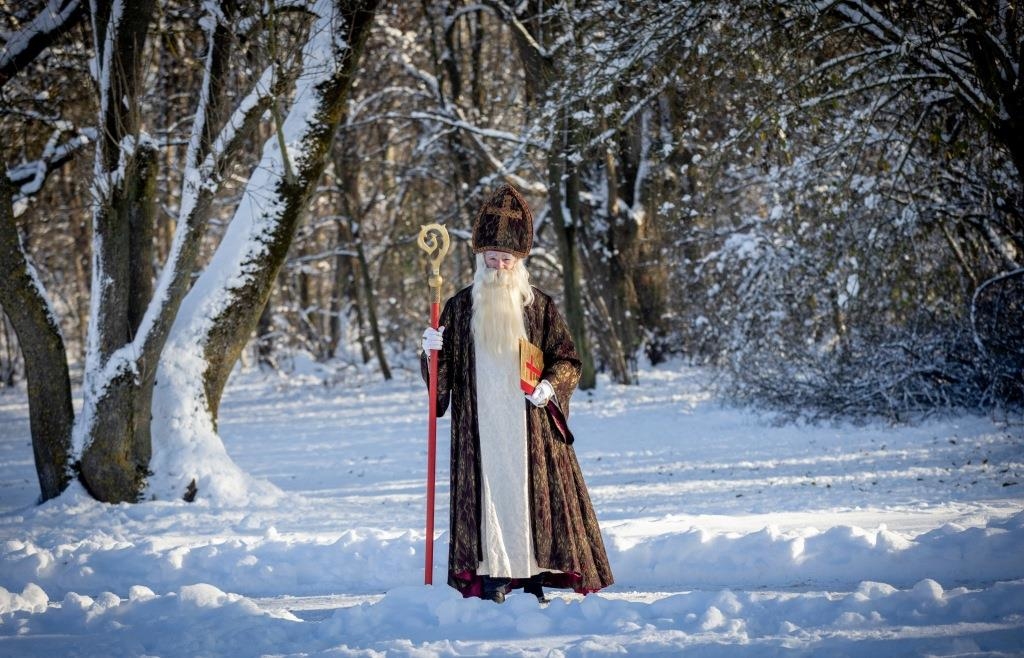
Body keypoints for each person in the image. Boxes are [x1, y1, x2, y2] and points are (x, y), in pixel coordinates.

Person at [421, 184, 614, 603]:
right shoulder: (458, 308)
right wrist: (430, 352)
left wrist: (550, 385)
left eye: (506, 259)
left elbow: (567, 360)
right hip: (479, 431)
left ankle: (532, 575)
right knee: (489, 496)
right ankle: (492, 574)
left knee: (531, 498)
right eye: (492, 259)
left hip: (531, 429)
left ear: (520, 260)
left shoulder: (539, 307)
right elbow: (442, 385)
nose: (499, 265)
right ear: (481, 259)